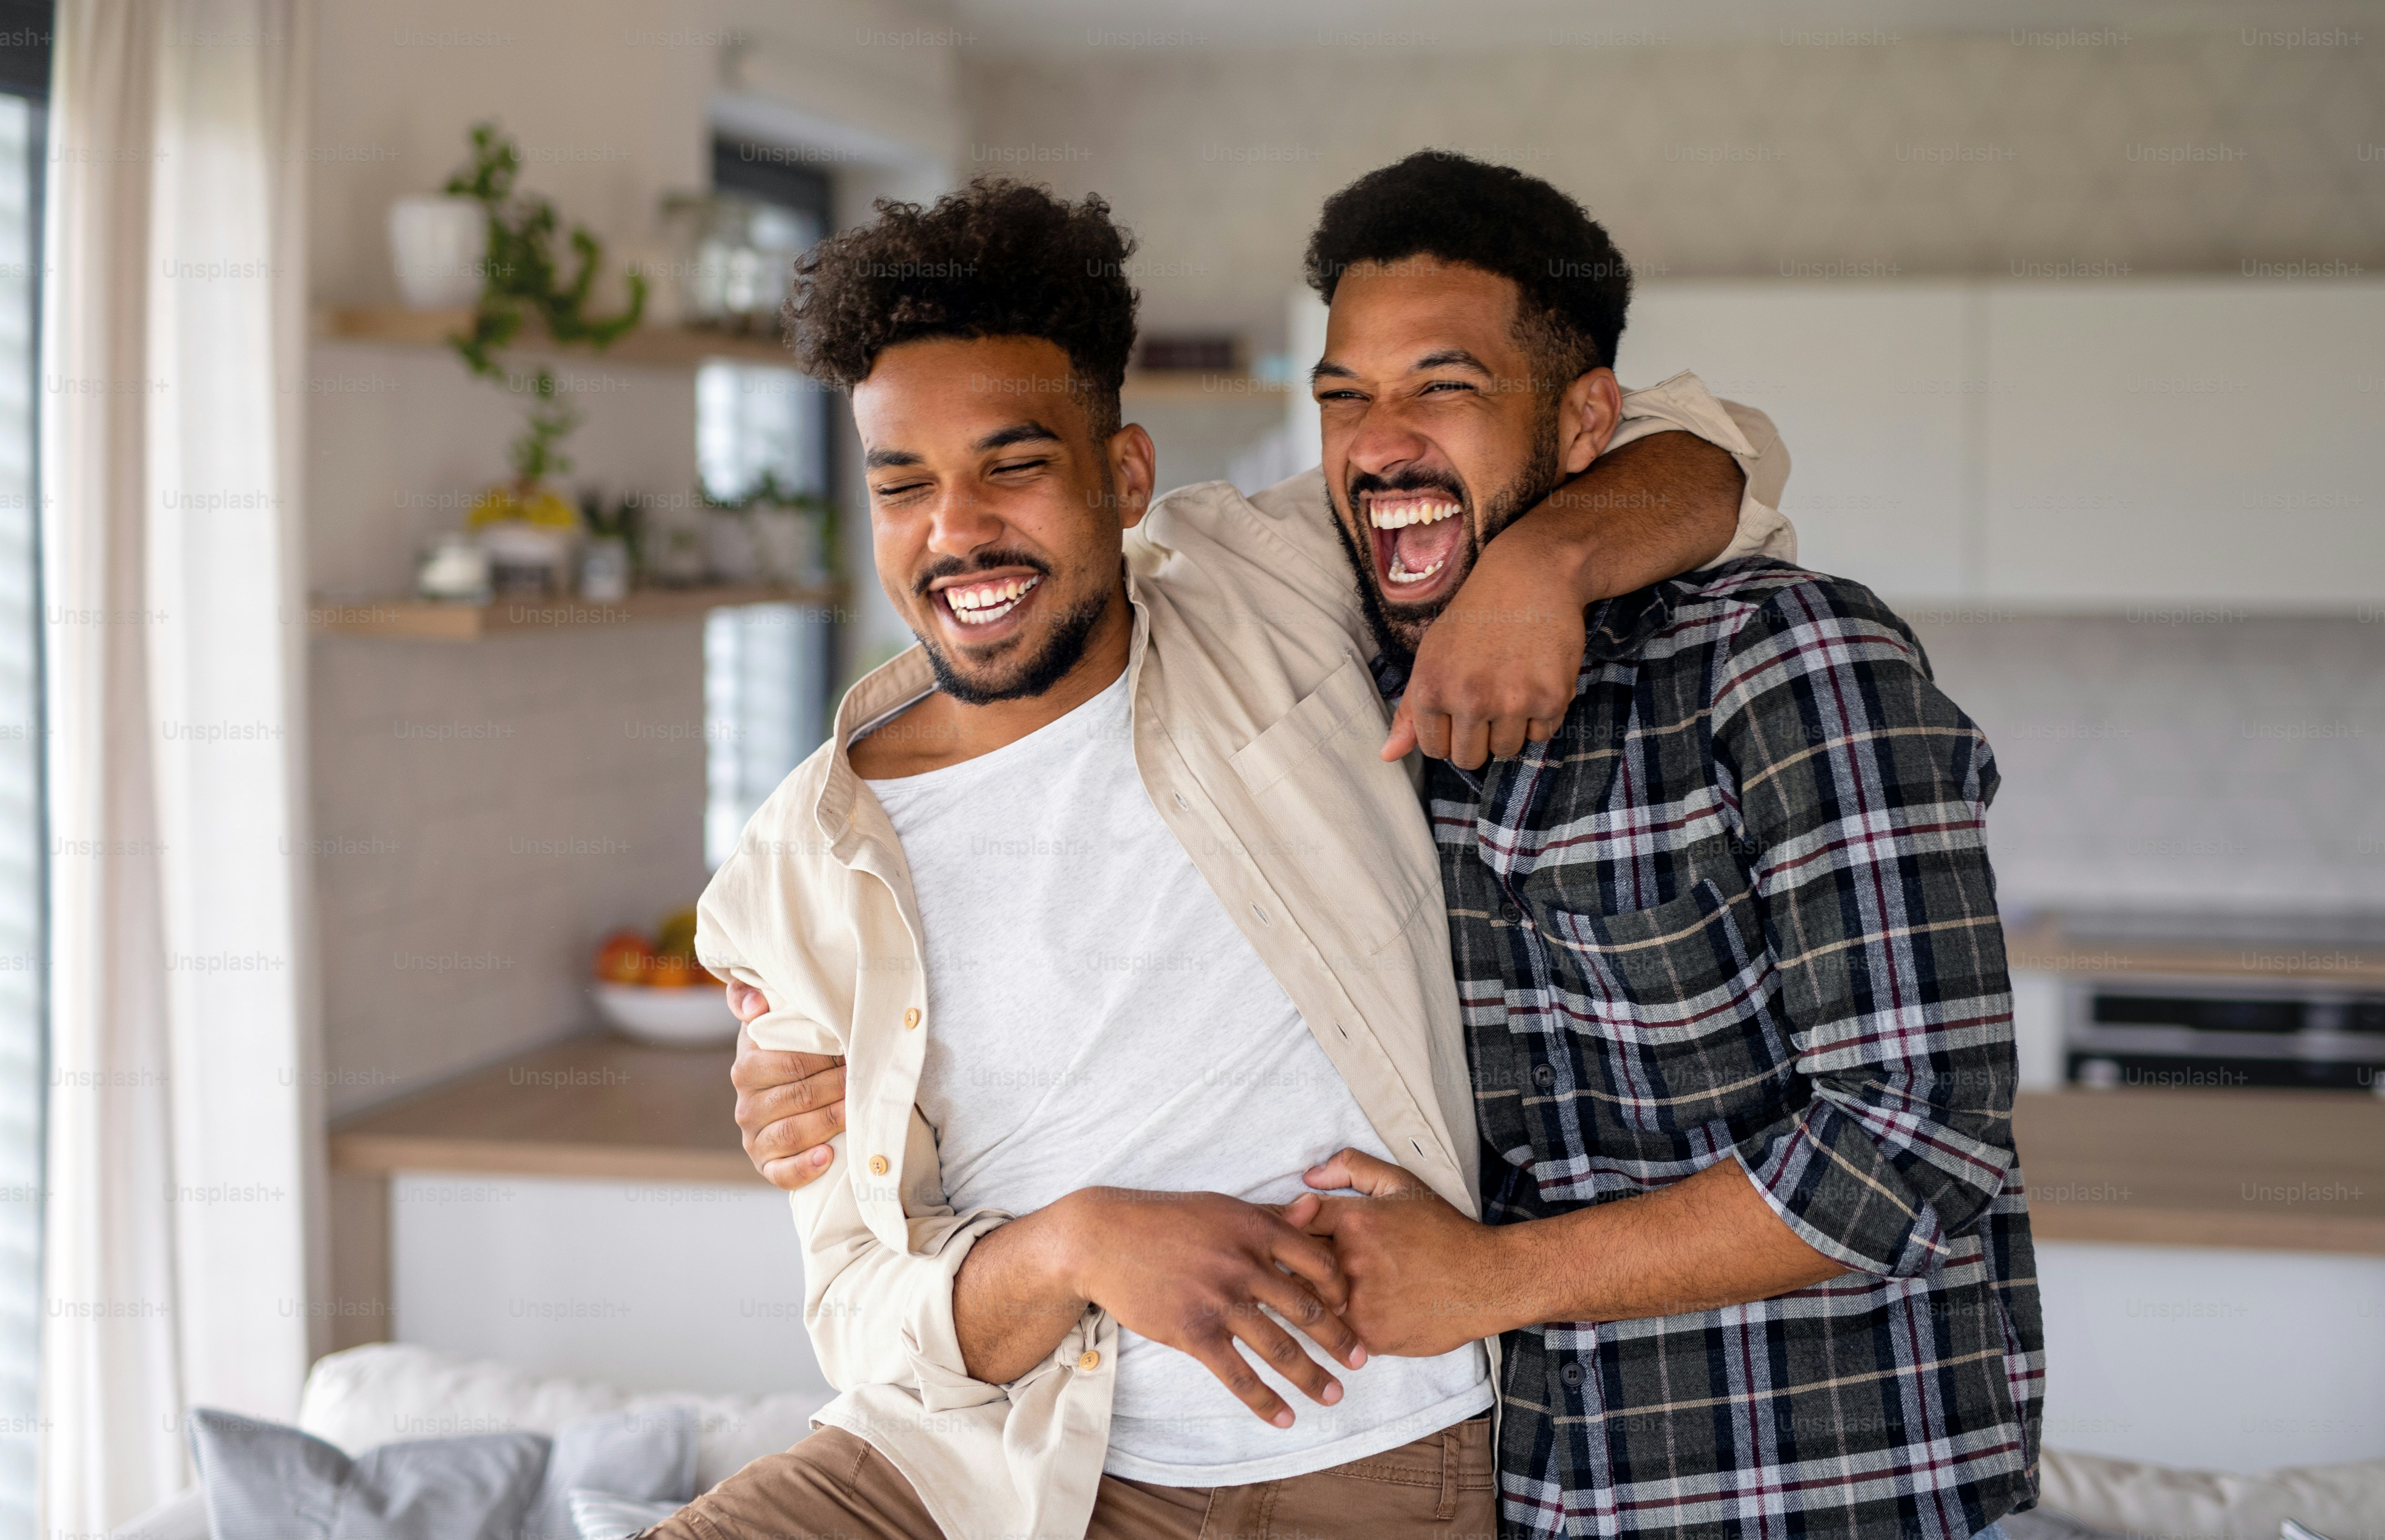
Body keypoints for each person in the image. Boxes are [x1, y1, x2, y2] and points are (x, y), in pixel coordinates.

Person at [737, 153, 2044, 1540]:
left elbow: (1707, 437)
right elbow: (861, 1302)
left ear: (1126, 475)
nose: (956, 529)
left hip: (1639, 1463)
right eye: (1344, 397)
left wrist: (1545, 563)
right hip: (1202, 1465)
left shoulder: (1739, 657)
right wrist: (1034, 1217)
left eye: (1014, 463)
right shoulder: (812, 854)